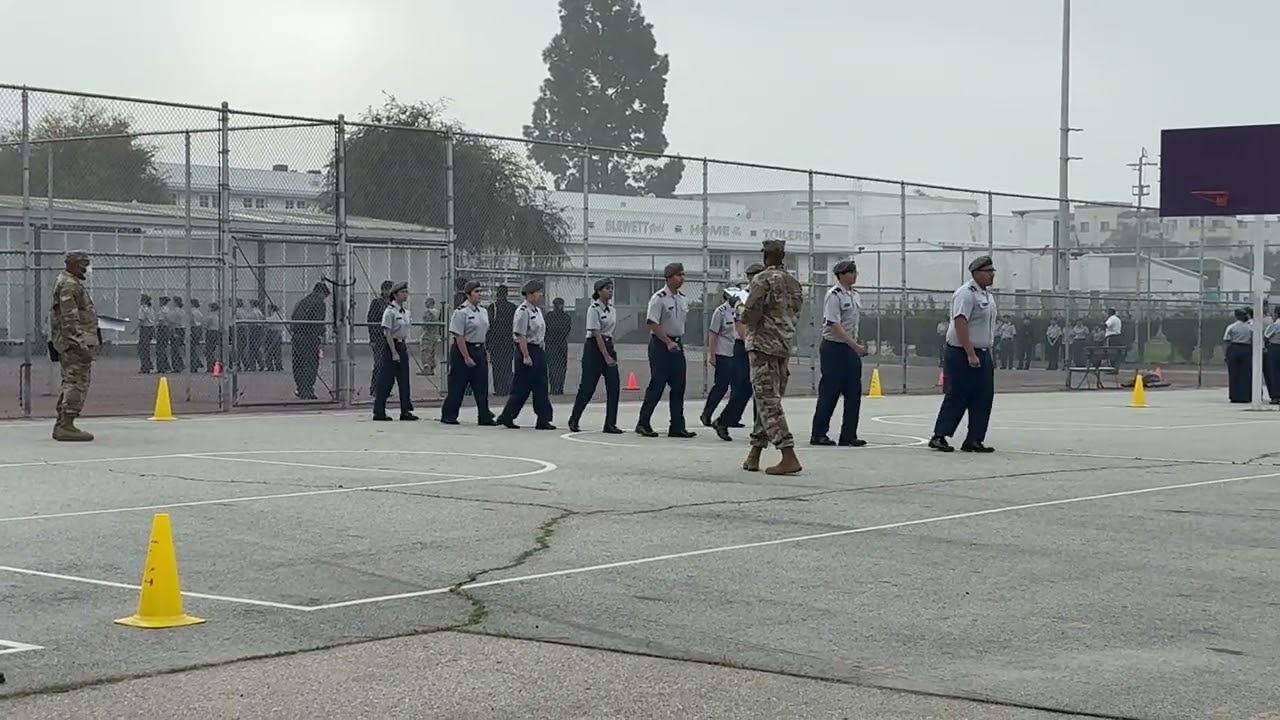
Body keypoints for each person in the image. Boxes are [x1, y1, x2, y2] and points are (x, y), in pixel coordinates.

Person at [737, 239, 805, 475]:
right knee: (767, 401)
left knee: (767, 402)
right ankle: (754, 453)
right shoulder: (794, 283)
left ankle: (788, 453)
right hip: (783, 347)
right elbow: (795, 314)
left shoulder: (762, 280)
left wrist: (737, 306)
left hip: (763, 346)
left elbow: (750, 316)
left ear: (765, 256)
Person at [929, 255, 997, 453]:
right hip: (962, 352)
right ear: (976, 273)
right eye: (988, 271)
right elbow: (960, 322)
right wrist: (970, 353)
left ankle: (974, 438)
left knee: (983, 397)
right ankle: (940, 435)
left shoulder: (986, 295)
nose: (992, 275)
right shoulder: (966, 293)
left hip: (982, 352)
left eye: (993, 271)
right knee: (958, 395)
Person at [809, 259, 867, 447]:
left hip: (850, 348)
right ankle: (818, 433)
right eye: (851, 272)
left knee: (853, 392)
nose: (854, 275)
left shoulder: (855, 295)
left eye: (855, 271)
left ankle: (849, 434)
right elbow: (834, 325)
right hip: (834, 348)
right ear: (842, 275)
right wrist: (854, 345)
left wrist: (856, 343)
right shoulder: (834, 295)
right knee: (830, 391)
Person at [636, 263, 696, 438]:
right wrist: (667, 342)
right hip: (661, 345)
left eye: (683, 274)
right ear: (669, 277)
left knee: (679, 386)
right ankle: (643, 422)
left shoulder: (682, 299)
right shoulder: (658, 298)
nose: (682, 278)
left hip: (677, 344)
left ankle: (677, 425)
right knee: (657, 384)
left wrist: (675, 342)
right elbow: (653, 323)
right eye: (678, 275)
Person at [711, 263, 765, 441]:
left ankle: (761, 427)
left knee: (761, 388)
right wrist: (751, 343)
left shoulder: (764, 293)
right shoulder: (743, 296)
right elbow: (740, 324)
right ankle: (724, 421)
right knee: (743, 387)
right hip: (744, 346)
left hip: (761, 344)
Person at [50, 250, 99, 442]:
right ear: (71, 264)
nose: (85, 268)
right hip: (74, 345)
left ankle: (63, 421)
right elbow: (69, 319)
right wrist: (80, 345)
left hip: (74, 342)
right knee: (76, 382)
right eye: (82, 264)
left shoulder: (71, 282)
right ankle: (66, 425)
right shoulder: (69, 285)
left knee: (72, 380)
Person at [496, 280, 556, 430]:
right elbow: (520, 335)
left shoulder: (537, 311)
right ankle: (507, 415)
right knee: (522, 387)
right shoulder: (522, 311)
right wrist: (526, 356)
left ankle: (543, 418)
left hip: (538, 349)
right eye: (537, 293)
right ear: (529, 294)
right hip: (526, 349)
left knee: (541, 385)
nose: (540, 295)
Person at [568, 278, 622, 434]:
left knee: (614, 386)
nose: (610, 291)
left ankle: (610, 423)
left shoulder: (612, 310)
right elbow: (597, 334)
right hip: (594, 349)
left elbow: (610, 333)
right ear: (598, 291)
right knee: (587, 387)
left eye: (611, 288)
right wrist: (606, 357)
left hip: (608, 345)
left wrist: (611, 351)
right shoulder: (594, 309)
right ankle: (574, 419)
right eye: (606, 288)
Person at [440, 280, 497, 426]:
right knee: (458, 385)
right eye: (476, 291)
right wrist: (466, 357)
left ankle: (484, 416)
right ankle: (449, 415)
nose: (479, 294)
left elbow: (485, 332)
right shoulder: (461, 311)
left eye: (480, 291)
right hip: (464, 349)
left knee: (481, 385)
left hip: (479, 349)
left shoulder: (483, 311)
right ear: (468, 294)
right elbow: (459, 336)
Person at [372, 282, 419, 422]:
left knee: (404, 380)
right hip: (391, 346)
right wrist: (393, 352)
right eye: (402, 292)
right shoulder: (390, 311)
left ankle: (405, 410)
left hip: (402, 345)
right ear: (395, 294)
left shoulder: (405, 312)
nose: (405, 294)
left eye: (406, 292)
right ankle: (379, 410)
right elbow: (387, 333)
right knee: (386, 380)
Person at [701, 289, 740, 427]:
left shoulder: (741, 310)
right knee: (721, 386)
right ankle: (707, 414)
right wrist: (712, 355)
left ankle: (732, 418)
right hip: (723, 352)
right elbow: (713, 334)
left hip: (736, 352)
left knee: (738, 386)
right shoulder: (721, 311)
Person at [289, 282, 330, 400]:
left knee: (298, 364)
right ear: (321, 293)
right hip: (310, 337)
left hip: (297, 337)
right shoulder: (319, 303)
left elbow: (294, 317)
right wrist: (322, 335)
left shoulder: (302, 302)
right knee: (311, 364)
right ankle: (307, 389)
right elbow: (319, 321)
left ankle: (301, 388)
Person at [487, 284, 517, 395]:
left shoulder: (493, 307)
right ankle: (507, 387)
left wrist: (488, 342)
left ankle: (499, 389)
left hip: (495, 341)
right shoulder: (512, 307)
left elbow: (488, 325)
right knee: (507, 365)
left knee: (496, 366)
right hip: (508, 340)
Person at [367, 280, 394, 394]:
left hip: (391, 339)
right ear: (384, 290)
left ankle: (385, 388)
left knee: (390, 365)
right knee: (379, 364)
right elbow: (371, 320)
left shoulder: (393, 304)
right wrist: (372, 338)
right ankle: (375, 388)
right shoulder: (377, 303)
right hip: (379, 338)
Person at [1224, 308, 1253, 404]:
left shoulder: (1231, 327)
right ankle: (1245, 396)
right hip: (1246, 349)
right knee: (1245, 374)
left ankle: (1234, 396)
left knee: (1234, 373)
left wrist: (1226, 354)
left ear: (1236, 316)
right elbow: (1253, 340)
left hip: (1234, 348)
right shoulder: (1249, 327)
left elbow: (1227, 341)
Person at [544, 297, 572, 394]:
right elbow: (567, 330)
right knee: (560, 366)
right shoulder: (566, 317)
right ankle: (558, 388)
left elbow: (545, 330)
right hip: (560, 343)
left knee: (554, 366)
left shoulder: (549, 316)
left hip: (552, 343)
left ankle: (555, 388)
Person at [419, 298, 439, 376]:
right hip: (434, 334)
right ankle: (431, 367)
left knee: (425, 350)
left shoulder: (428, 313)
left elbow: (425, 325)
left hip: (427, 334)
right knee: (432, 351)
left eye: (426, 302)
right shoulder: (437, 312)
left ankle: (427, 367)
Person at [136, 293, 155, 374]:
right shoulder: (151, 309)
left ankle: (145, 366)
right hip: (150, 328)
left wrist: (135, 329)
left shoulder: (143, 308)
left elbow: (142, 320)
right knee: (146, 348)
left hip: (145, 329)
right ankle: (148, 364)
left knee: (142, 348)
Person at [1266, 311, 1280, 405]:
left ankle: (1275, 396)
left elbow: (1266, 335)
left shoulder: (1275, 325)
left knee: (1274, 372)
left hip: (1275, 348)